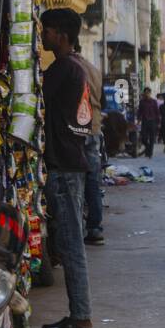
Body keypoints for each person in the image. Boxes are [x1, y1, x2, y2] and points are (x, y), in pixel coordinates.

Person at [39, 9, 95, 328]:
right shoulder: (76, 67)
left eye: (46, 30)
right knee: (69, 241)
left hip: (64, 166)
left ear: (60, 33)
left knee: (72, 243)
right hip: (70, 164)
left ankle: (81, 317)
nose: (42, 36)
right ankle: (79, 315)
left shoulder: (63, 69)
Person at [73, 51, 105, 246]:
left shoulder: (70, 68)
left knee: (75, 181)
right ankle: (95, 228)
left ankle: (75, 229)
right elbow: (102, 101)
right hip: (94, 129)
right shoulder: (94, 70)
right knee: (93, 182)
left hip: (76, 130)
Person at [137, 87, 159, 158]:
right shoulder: (142, 102)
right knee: (144, 138)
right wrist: (138, 121)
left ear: (150, 93)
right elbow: (139, 112)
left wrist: (158, 123)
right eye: (145, 93)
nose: (146, 94)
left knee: (152, 138)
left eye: (148, 93)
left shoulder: (154, 102)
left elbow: (157, 112)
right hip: (145, 121)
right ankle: (148, 147)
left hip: (153, 121)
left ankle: (150, 153)